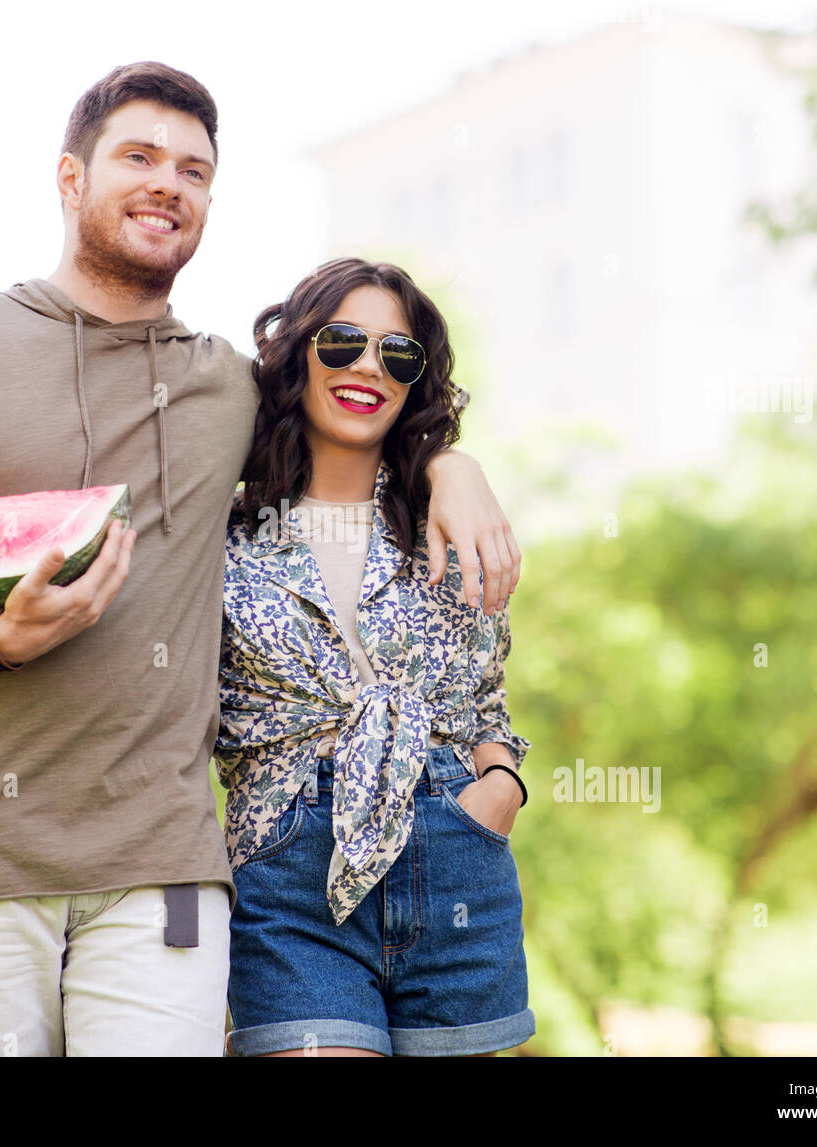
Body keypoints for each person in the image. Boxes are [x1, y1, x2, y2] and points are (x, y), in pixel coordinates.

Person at [0, 62, 522, 1057]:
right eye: (138, 156)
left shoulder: (229, 386)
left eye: (193, 170)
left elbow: (357, 404)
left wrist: (453, 462)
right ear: (69, 177)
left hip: (167, 876)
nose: (167, 182)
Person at [216, 257, 534, 1057]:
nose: (369, 366)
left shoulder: (453, 519)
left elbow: (485, 701)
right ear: (298, 353)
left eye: (398, 355)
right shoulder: (221, 530)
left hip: (459, 857)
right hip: (290, 873)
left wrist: (499, 788)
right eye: (345, 341)